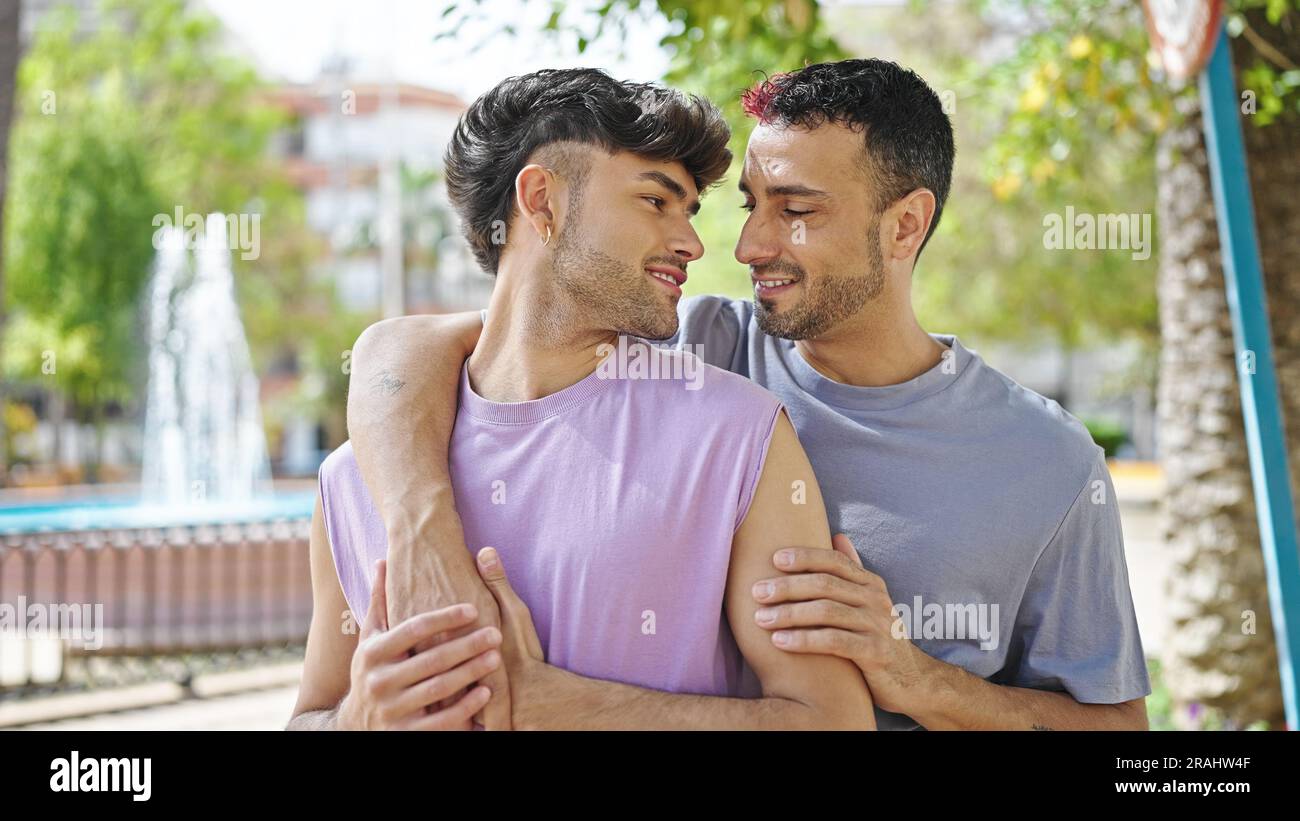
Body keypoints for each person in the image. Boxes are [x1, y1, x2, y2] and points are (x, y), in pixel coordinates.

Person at [343, 59, 1152, 731]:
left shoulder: (1045, 458)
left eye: (796, 210)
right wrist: (422, 535)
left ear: (905, 226)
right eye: (752, 207)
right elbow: (402, 349)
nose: (748, 245)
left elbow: (1125, 736)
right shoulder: (695, 347)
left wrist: (915, 677)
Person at [287, 68, 875, 730]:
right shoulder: (356, 475)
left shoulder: (739, 437)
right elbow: (309, 713)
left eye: (690, 210)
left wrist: (573, 706)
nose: (691, 242)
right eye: (656, 201)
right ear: (542, 201)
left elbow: (833, 721)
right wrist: (359, 717)